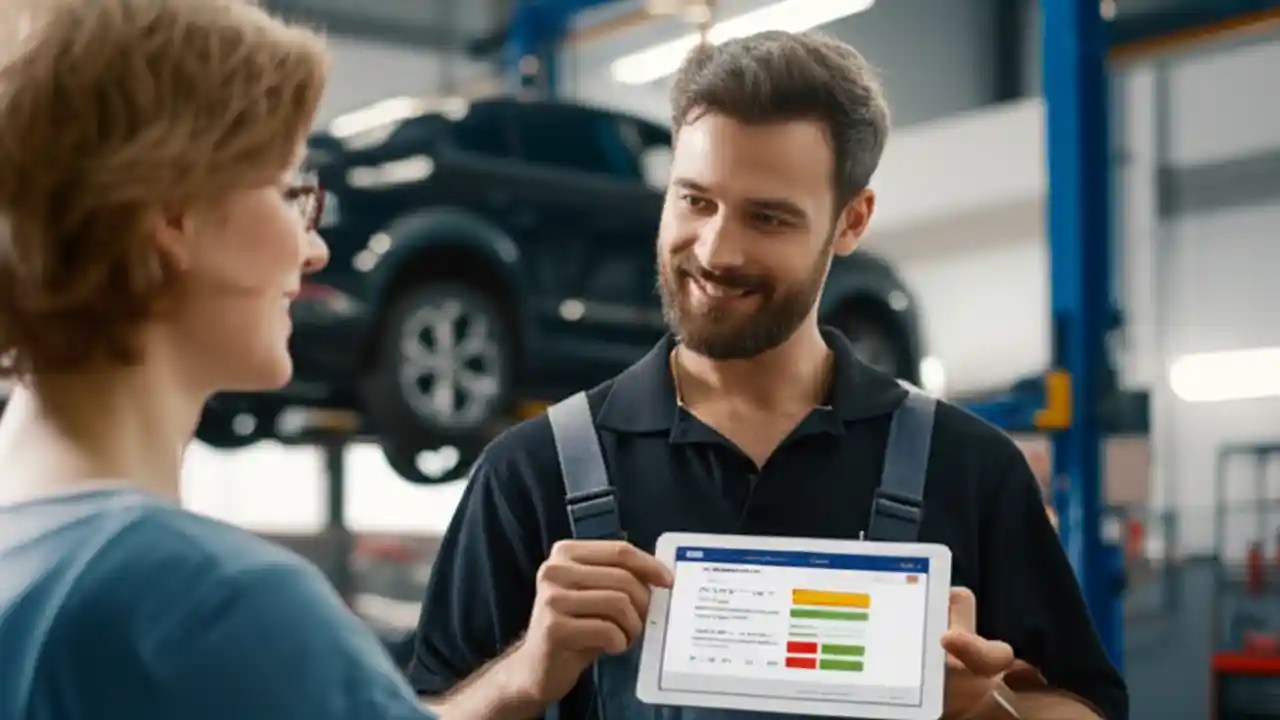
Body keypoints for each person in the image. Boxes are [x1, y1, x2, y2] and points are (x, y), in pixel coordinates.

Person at [407, 30, 1128, 720]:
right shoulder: (531, 476)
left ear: (851, 221)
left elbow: (1083, 707)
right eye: (696, 200)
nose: (717, 250)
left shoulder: (970, 471)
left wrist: (986, 708)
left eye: (769, 218)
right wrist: (522, 676)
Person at [0, 1, 436, 718]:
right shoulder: (209, 605)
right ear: (174, 212)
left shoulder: (32, 559)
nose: (314, 247)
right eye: (287, 190)